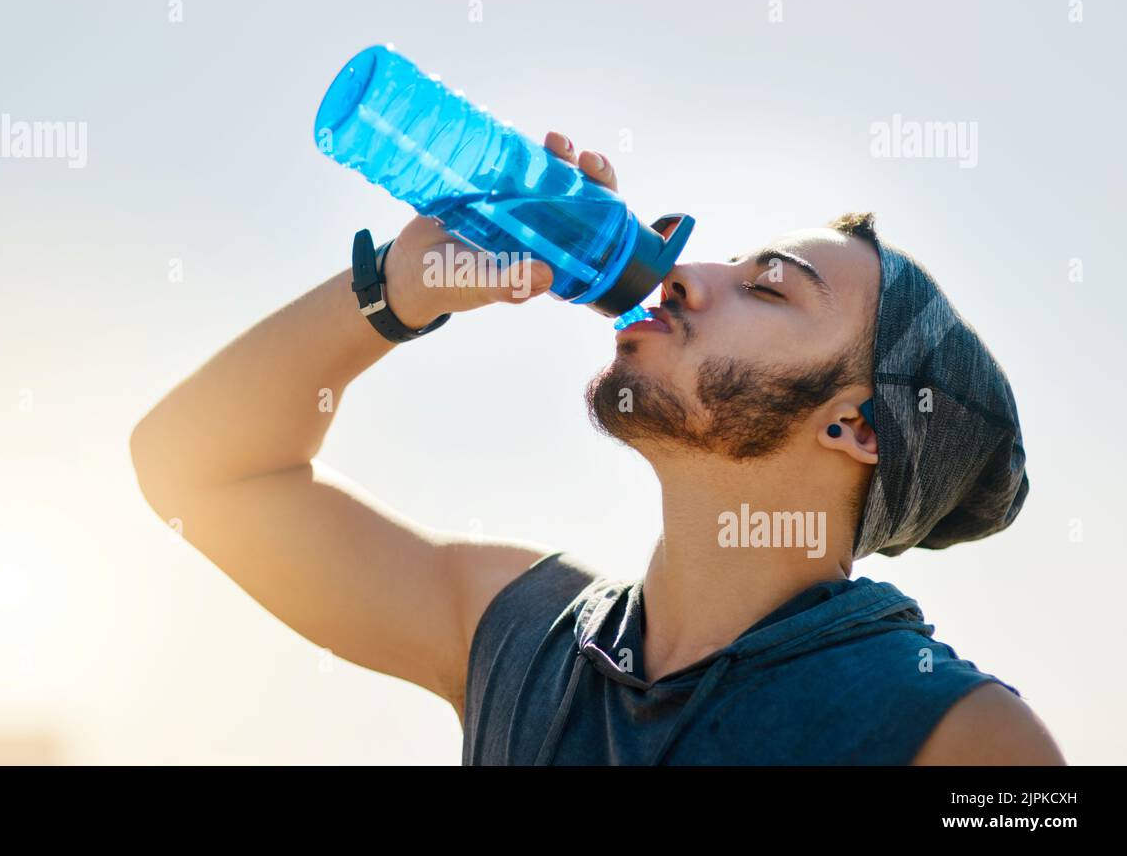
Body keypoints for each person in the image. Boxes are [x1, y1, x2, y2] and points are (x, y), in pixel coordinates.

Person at [130, 131, 1064, 765]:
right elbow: (194, 469)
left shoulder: (956, 734)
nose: (688, 274)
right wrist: (400, 291)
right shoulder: (518, 632)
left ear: (854, 426)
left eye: (769, 288)